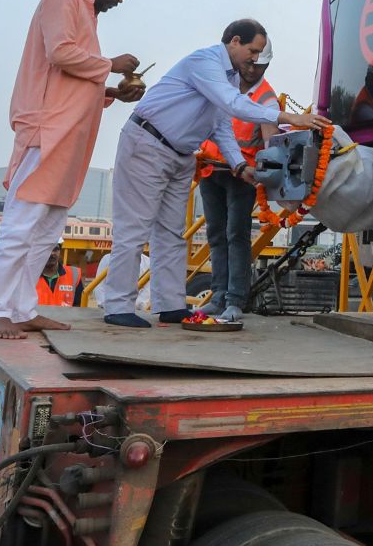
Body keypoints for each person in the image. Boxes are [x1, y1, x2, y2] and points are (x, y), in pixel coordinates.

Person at [99, 19, 328, 328]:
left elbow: (220, 126)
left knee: (171, 233)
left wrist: (239, 165)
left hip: (180, 155)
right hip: (149, 144)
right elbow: (232, 105)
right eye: (253, 50)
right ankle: (117, 307)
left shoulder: (229, 78)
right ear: (234, 41)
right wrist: (287, 116)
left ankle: (170, 305)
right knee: (135, 228)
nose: (255, 59)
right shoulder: (205, 62)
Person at [0, 0, 145, 340]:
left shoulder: (86, 13)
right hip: (47, 128)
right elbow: (61, 53)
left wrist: (112, 93)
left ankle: (20, 308)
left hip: (67, 133)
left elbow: (70, 76)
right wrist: (111, 64)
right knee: (21, 227)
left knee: (47, 231)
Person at [198, 41, 279, 322]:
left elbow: (270, 142)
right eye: (251, 64)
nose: (254, 69)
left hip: (241, 176)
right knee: (216, 236)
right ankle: (218, 295)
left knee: (236, 236)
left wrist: (267, 173)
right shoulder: (224, 85)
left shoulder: (267, 98)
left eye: (260, 66)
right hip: (211, 170)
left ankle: (234, 300)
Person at [34, 241, 79, 307]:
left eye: (55, 249)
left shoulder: (74, 274)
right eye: (47, 249)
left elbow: (79, 308)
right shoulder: (28, 277)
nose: (52, 253)